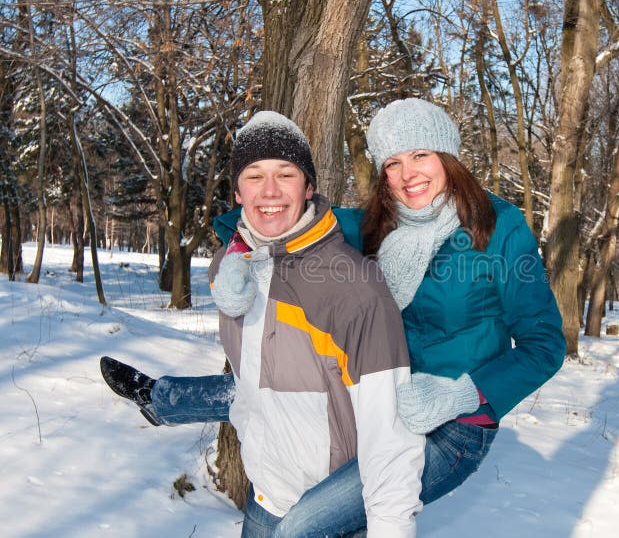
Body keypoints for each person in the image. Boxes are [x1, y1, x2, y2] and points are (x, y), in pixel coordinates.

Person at [102, 98, 566, 536]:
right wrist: (239, 253)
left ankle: (161, 400)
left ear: (448, 157)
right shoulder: (375, 223)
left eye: (420, 155)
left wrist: (463, 394)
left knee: (300, 527)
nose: (408, 175)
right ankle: (160, 398)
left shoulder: (501, 230)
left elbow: (544, 345)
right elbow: (281, 217)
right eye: (392, 163)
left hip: (452, 426)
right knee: (268, 389)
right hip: (374, 393)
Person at [101, 111, 425, 538]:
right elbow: (254, 386)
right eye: (254, 176)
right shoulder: (231, 269)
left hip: (331, 514)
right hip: (263, 500)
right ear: (236, 190)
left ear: (308, 187)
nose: (269, 191)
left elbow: (391, 438)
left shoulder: (355, 289)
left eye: (285, 174)